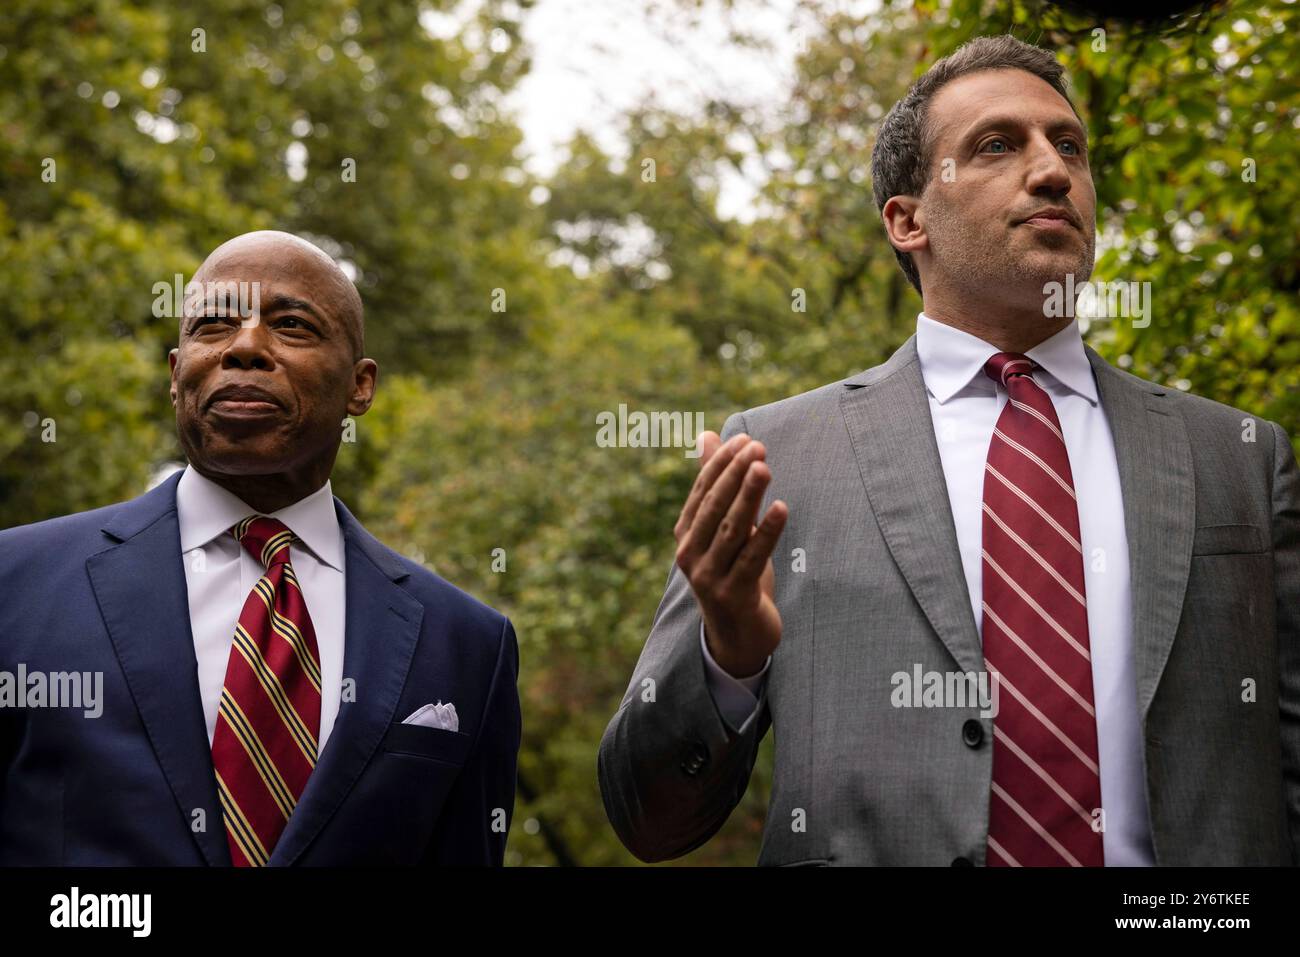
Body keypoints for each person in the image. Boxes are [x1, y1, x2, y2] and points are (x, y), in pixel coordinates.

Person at [598, 35, 1300, 866]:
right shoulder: (775, 456)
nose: (1052, 171)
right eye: (998, 146)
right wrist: (728, 656)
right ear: (907, 219)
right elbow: (648, 816)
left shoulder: (1242, 457)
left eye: (1069, 146)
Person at [0, 230, 520, 865]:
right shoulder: (15, 585)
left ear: (361, 386)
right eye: (213, 325)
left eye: (292, 325)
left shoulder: (467, 645)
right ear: (175, 373)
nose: (245, 346)